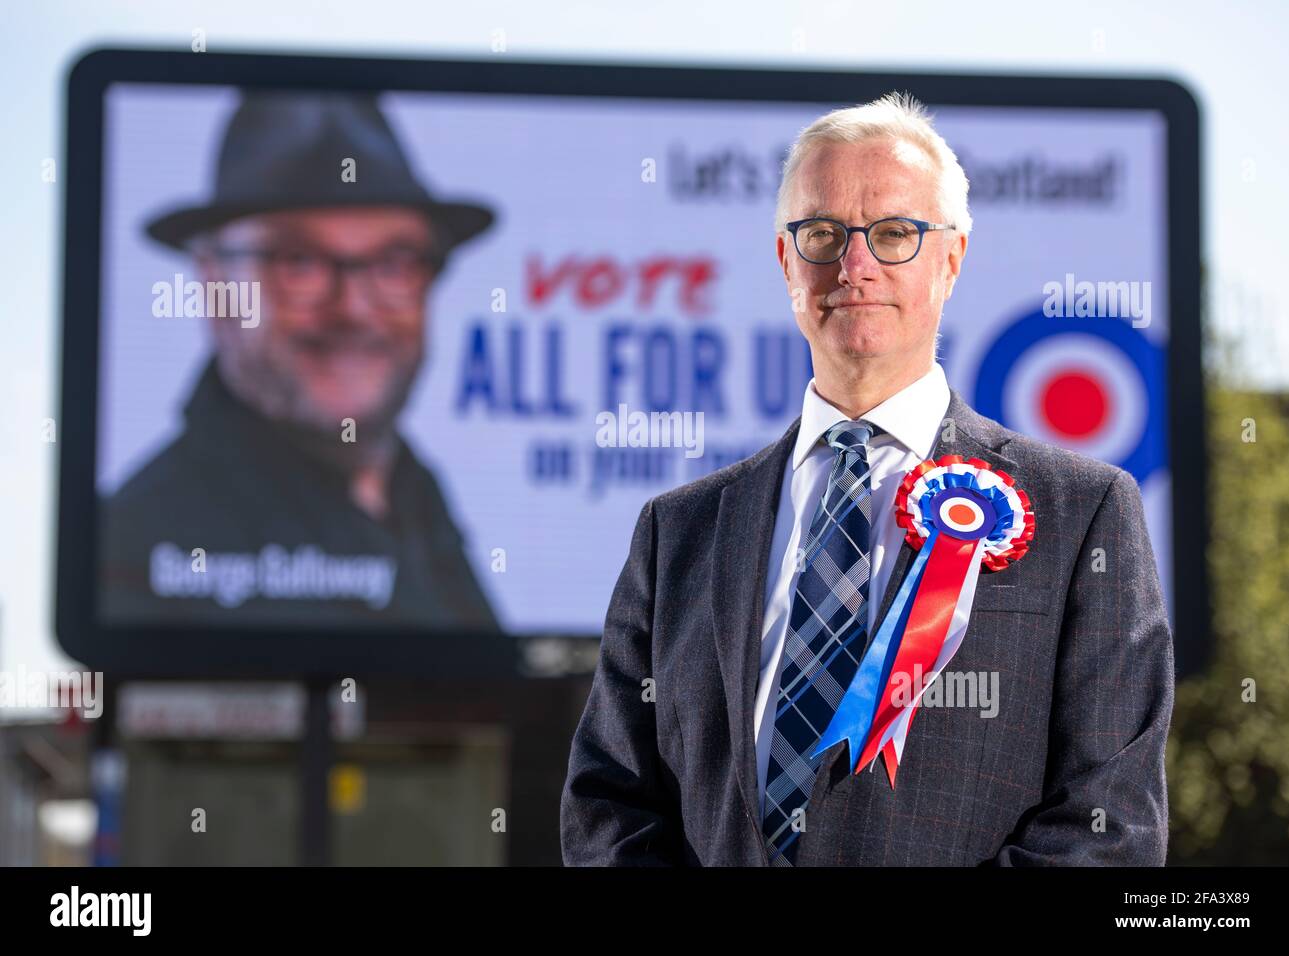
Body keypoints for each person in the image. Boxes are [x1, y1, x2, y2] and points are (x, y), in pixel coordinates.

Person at [560, 92, 1174, 865]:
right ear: (786, 260)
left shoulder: (1083, 513)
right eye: (822, 234)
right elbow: (609, 806)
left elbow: (1108, 827)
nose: (855, 266)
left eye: (893, 234)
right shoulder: (677, 531)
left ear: (951, 259)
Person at [102, 91, 500, 631]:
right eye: (299, 261)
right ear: (213, 282)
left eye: (395, 261)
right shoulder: (134, 551)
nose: (355, 308)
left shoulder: (418, 502)